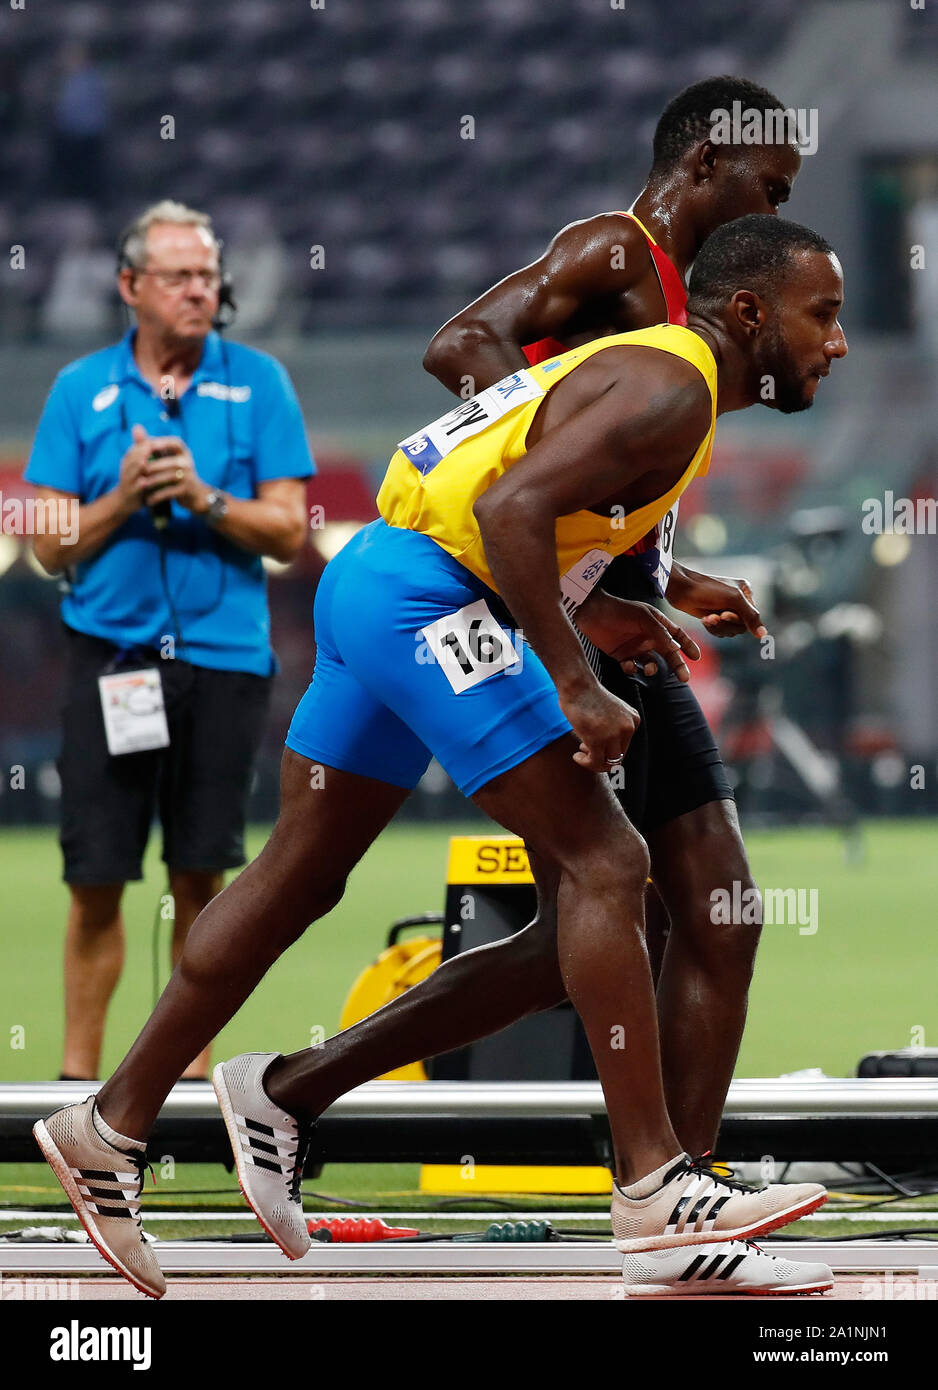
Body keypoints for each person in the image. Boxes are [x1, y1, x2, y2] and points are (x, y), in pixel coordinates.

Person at [36, 215, 847, 1298]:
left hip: (378, 578)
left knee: (295, 878)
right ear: (749, 313)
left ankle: (109, 1123)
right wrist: (570, 679)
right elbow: (507, 509)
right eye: (822, 315)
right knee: (609, 865)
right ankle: (654, 1190)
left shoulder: (654, 369)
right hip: (428, 594)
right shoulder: (675, 387)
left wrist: (625, 596)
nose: (834, 342)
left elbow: (520, 492)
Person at [420, 74, 801, 1151]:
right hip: (561, 635)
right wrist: (570, 576)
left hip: (617, 624)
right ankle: (300, 1087)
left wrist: (667, 580)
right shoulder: (614, 254)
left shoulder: (686, 303)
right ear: (699, 166)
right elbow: (458, 345)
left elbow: (607, 491)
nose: (773, 217)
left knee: (713, 909)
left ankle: (685, 1179)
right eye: (764, 188)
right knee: (609, 922)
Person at [24, 200, 314, 1084]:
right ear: (130, 286)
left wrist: (200, 496)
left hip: (223, 664)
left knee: (202, 877)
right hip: (108, 657)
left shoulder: (259, 381)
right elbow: (44, 545)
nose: (202, 290)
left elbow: (289, 531)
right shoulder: (80, 389)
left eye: (208, 276)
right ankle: (80, 1082)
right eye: (181, 276)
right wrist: (118, 501)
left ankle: (186, 1081)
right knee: (96, 878)